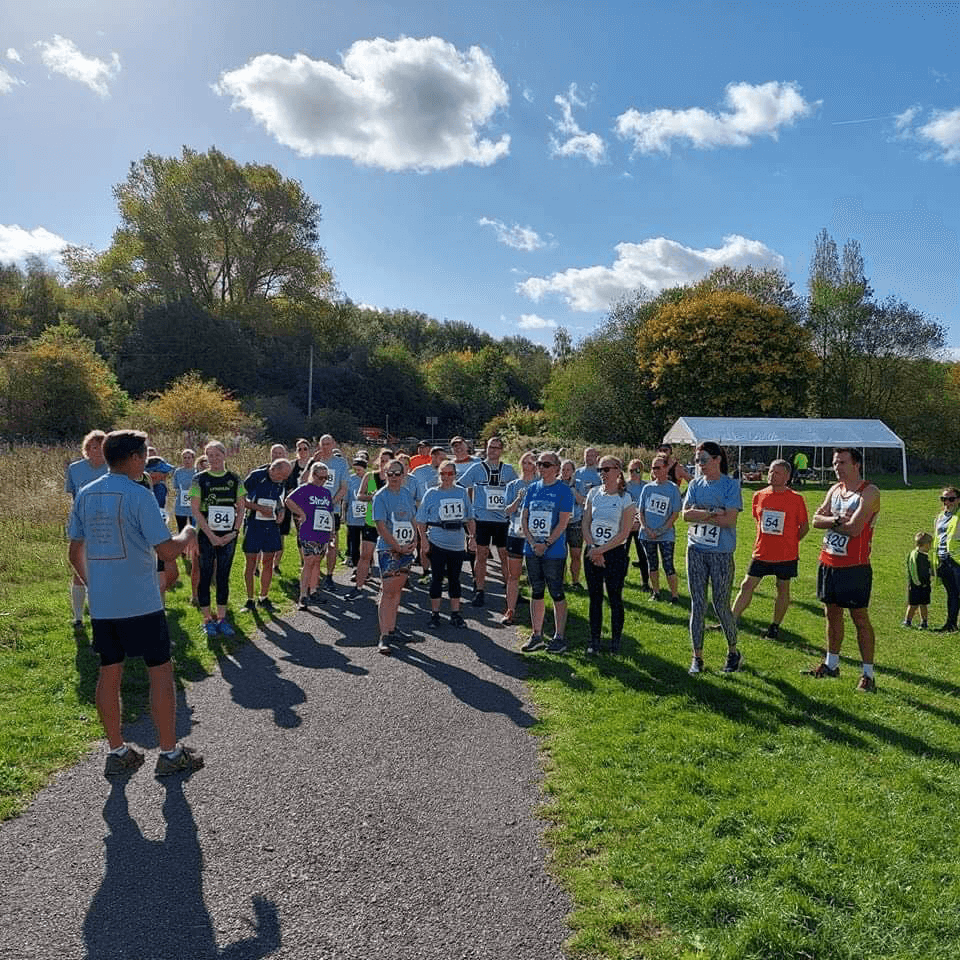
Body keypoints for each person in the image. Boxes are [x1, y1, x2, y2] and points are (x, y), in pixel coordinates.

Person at [67, 429, 203, 777]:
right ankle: (170, 755)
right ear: (133, 459)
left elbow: (74, 551)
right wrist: (188, 533)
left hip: (104, 605)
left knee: (109, 673)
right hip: (141, 602)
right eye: (143, 455)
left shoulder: (84, 493)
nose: (145, 461)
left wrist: (93, 585)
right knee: (160, 672)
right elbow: (167, 550)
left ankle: (117, 751)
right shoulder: (139, 495)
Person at [806, 448, 880, 692]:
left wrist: (832, 521)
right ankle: (831, 664)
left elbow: (855, 529)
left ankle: (868, 674)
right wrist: (837, 521)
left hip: (854, 566)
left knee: (859, 618)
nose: (837, 467)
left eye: (842, 462)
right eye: (835, 462)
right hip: (828, 561)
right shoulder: (835, 489)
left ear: (856, 464)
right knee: (832, 614)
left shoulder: (869, 492)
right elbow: (816, 520)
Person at [682, 441, 743, 675]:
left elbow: (730, 520)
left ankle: (733, 651)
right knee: (697, 604)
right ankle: (697, 657)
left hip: (721, 554)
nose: (700, 465)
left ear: (717, 459)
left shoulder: (730, 486)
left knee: (720, 605)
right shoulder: (696, 484)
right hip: (695, 550)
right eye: (697, 460)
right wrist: (712, 512)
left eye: (704, 460)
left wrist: (703, 514)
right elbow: (686, 515)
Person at [731, 459, 809, 639]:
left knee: (782, 588)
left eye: (778, 472)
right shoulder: (759, 495)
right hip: (762, 552)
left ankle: (774, 626)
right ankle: (732, 619)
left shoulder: (796, 499)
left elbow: (804, 527)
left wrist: (791, 542)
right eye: (771, 471)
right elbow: (757, 520)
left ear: (788, 477)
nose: (772, 475)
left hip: (785, 555)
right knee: (747, 585)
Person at [520, 451, 574, 654]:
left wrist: (547, 543)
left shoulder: (564, 491)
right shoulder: (532, 488)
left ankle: (559, 637)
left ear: (557, 468)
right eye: (539, 464)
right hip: (532, 548)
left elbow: (563, 521)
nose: (541, 467)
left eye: (546, 464)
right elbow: (524, 518)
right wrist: (533, 542)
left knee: (556, 591)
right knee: (536, 590)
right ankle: (536, 635)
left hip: (554, 551)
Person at [190, 440, 245, 638]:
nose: (213, 459)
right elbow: (195, 510)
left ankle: (222, 618)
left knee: (223, 576)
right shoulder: (199, 479)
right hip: (206, 535)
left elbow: (241, 509)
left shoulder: (234, 478)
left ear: (224, 455)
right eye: (209, 455)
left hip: (229, 535)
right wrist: (211, 535)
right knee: (205, 575)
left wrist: (234, 533)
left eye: (217, 455)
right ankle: (207, 620)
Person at [582, 456, 635, 655]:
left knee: (614, 598)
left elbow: (624, 532)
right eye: (600, 470)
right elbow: (586, 522)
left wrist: (601, 550)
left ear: (617, 471)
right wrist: (593, 547)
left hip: (614, 553)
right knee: (595, 598)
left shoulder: (625, 498)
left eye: (606, 469)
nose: (602, 473)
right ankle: (594, 640)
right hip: (593, 551)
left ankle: (615, 641)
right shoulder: (593, 493)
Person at [417, 459, 475, 629]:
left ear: (455, 475)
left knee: (455, 579)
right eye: (443, 473)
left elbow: (469, 517)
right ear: (439, 474)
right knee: (436, 578)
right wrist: (424, 541)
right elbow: (421, 520)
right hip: (436, 541)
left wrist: (472, 537)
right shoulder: (431, 493)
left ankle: (455, 614)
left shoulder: (461, 492)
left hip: (456, 543)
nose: (446, 477)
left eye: (450, 473)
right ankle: (435, 614)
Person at [459, 436, 517, 608]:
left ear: (502, 451)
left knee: (505, 555)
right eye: (491, 447)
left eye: (497, 448)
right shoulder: (476, 468)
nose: (494, 451)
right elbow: (461, 486)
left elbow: (517, 489)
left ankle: (510, 590)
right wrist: (469, 509)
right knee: (481, 554)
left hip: (502, 520)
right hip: (482, 519)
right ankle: (479, 590)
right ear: (486, 448)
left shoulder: (508, 470)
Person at [372, 458, 418, 654]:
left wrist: (416, 539)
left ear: (404, 474)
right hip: (389, 550)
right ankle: (384, 635)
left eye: (397, 474)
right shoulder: (380, 496)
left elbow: (412, 518)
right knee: (388, 591)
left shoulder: (407, 493)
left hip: (406, 549)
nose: (393, 477)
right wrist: (396, 546)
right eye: (389, 473)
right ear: (384, 474)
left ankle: (392, 628)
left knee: (398, 591)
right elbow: (381, 526)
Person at [65, 429, 108, 628]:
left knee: (105, 567)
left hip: (107, 524)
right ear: (86, 449)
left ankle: (104, 612)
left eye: (100, 447)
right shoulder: (75, 469)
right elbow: (74, 496)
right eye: (92, 447)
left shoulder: (113, 469)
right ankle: (78, 617)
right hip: (81, 522)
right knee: (79, 568)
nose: (96, 451)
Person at [240, 458, 292, 613]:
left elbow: (279, 500)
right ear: (273, 469)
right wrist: (259, 508)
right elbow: (240, 500)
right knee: (251, 561)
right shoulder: (256, 476)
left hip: (271, 524)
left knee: (268, 560)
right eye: (281, 476)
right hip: (254, 523)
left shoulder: (281, 480)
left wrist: (281, 511)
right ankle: (249, 600)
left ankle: (264, 597)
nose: (282, 480)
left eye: (285, 477)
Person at [284, 462, 335, 610]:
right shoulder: (305, 489)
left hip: (323, 532)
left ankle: (314, 591)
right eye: (320, 477)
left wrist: (331, 531)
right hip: (308, 531)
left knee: (317, 561)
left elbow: (329, 511)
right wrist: (301, 513)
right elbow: (288, 500)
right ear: (313, 475)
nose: (323, 481)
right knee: (309, 561)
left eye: (326, 478)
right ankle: (303, 596)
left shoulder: (326, 492)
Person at [347, 448, 393, 600]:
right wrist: (371, 497)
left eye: (387, 461)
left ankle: (387, 589)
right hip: (371, 522)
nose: (383, 463)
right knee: (365, 555)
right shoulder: (369, 476)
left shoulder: (394, 478)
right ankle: (358, 587)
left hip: (388, 524)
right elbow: (359, 495)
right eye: (382, 460)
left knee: (388, 557)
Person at [306, 435, 349, 590]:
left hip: (332, 509)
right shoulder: (316, 462)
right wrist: (311, 461)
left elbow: (344, 487)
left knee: (331, 544)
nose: (325, 447)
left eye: (328, 444)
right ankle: (313, 577)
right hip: (313, 509)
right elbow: (304, 481)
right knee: (315, 543)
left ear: (334, 444)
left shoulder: (341, 463)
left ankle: (330, 576)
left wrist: (330, 503)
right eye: (322, 444)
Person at [639, 455, 682, 603]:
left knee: (668, 565)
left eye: (658, 467)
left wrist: (660, 531)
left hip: (666, 535)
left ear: (666, 468)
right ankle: (656, 592)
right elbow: (641, 511)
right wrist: (646, 529)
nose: (654, 470)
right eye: (652, 468)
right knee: (652, 565)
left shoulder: (673, 488)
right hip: (647, 535)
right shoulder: (647, 488)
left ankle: (674, 595)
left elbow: (675, 514)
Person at [502, 451, 537, 626]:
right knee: (513, 575)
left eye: (531, 463)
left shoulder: (541, 485)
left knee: (536, 576)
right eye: (525, 462)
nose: (527, 466)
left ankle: (537, 613)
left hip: (536, 535)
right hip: (515, 533)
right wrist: (518, 498)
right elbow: (507, 510)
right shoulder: (513, 485)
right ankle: (510, 611)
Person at [933, 486, 960, 632]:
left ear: (958, 500)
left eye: (951, 499)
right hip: (943, 560)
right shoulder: (940, 517)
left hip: (957, 561)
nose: (947, 502)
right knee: (952, 594)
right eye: (944, 499)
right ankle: (951, 624)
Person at [624, 458, 651, 590]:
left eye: (637, 470)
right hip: (626, 525)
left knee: (643, 554)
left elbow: (648, 508)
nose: (634, 473)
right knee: (623, 554)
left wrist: (640, 523)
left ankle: (645, 582)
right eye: (631, 470)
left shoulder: (646, 486)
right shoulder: (623, 485)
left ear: (642, 471)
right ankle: (620, 578)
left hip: (641, 525)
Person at [561, 459, 585, 589]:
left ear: (573, 472)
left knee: (576, 554)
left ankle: (575, 581)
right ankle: (562, 580)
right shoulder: (556, 483)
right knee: (561, 554)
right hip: (560, 524)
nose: (565, 472)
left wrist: (572, 489)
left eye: (568, 470)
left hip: (575, 523)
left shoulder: (579, 484)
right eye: (563, 469)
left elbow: (583, 502)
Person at [344, 454, 369, 569]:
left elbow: (373, 496)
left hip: (366, 518)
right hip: (353, 517)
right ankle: (355, 566)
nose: (357, 472)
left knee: (367, 544)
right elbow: (346, 499)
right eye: (355, 470)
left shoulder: (370, 479)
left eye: (359, 469)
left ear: (365, 469)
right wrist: (344, 514)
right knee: (354, 544)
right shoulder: (350, 479)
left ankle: (367, 566)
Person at [904, 532, 932, 629]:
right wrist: (919, 583)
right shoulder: (916, 555)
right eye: (930, 544)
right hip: (917, 585)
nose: (930, 547)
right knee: (913, 604)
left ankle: (924, 622)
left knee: (923, 604)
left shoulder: (924, 556)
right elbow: (913, 570)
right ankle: (908, 621)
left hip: (924, 585)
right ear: (925, 544)